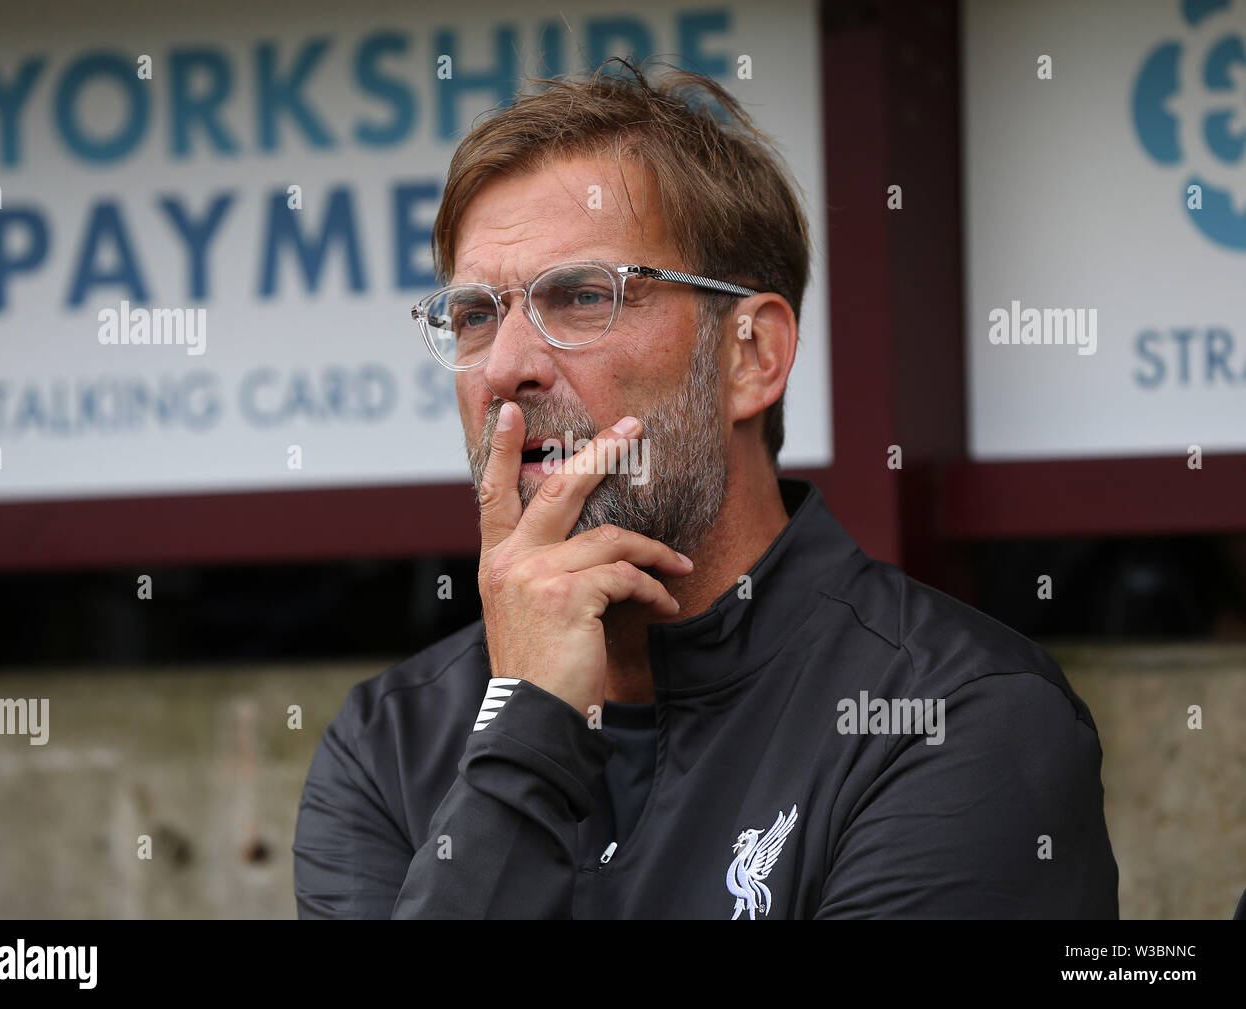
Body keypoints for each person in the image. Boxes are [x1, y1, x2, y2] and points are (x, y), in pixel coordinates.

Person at [292, 59, 1119, 919]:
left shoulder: (953, 715)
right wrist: (527, 726)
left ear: (750, 354)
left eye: (580, 297)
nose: (505, 368)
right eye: (474, 316)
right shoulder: (389, 740)